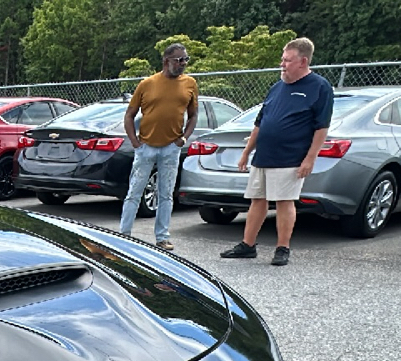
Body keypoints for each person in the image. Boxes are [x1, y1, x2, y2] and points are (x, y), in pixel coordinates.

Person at [220, 37, 333, 266]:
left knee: (284, 201)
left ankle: (282, 248)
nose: (282, 64)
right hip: (264, 155)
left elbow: (321, 127)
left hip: (290, 157)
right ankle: (247, 245)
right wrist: (246, 153)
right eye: (282, 59)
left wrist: (310, 159)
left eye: (287, 60)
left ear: (302, 61)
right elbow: (260, 123)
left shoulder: (319, 87)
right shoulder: (277, 87)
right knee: (257, 200)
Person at [119, 44, 199, 252]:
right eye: (178, 60)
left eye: (185, 60)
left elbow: (193, 115)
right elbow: (129, 115)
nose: (182, 64)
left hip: (171, 148)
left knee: (165, 194)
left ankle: (162, 237)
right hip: (146, 147)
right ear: (166, 61)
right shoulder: (147, 84)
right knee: (134, 192)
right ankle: (124, 235)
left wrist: (183, 138)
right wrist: (135, 141)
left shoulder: (189, 83)